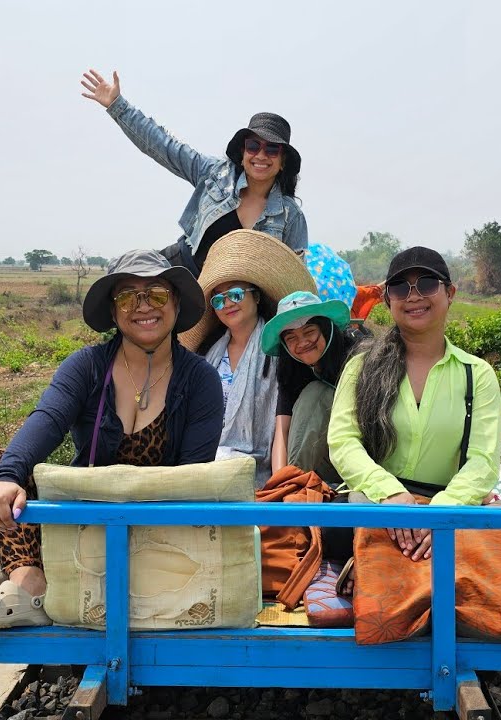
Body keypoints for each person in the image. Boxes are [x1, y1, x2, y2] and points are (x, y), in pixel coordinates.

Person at [0, 249, 223, 629]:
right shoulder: (87, 366)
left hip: (157, 526)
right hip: (84, 513)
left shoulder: (200, 381)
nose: (143, 306)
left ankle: (25, 564)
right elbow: (47, 419)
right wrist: (7, 477)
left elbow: (193, 478)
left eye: (157, 294)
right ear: (114, 312)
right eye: (128, 296)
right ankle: (30, 584)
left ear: (176, 304)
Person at [327, 247, 501, 563]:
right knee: (345, 535)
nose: (413, 296)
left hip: (446, 506)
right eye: (399, 288)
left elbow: (483, 460)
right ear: (388, 301)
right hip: (374, 502)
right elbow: (342, 442)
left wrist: (440, 515)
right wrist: (390, 495)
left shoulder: (477, 375)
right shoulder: (361, 367)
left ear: (449, 293)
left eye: (426, 284)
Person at [80, 69, 308, 275]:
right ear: (242, 151)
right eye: (253, 146)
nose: (260, 155)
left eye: (271, 149)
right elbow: (164, 146)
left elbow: (295, 277)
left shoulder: (291, 216)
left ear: (283, 160)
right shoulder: (216, 174)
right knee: (123, 278)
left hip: (229, 300)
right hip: (181, 269)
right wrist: (117, 105)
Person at [180, 230, 316, 490]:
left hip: (259, 470)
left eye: (236, 294)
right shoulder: (206, 352)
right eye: (218, 300)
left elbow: (284, 425)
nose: (227, 303)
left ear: (256, 295)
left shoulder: (281, 350)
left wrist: (280, 484)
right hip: (205, 467)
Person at [264, 291, 358, 487]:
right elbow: (282, 429)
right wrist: (280, 483)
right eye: (291, 338)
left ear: (326, 329)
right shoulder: (292, 369)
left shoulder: (356, 356)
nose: (302, 343)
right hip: (319, 460)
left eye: (309, 332)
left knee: (318, 392)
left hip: (359, 453)